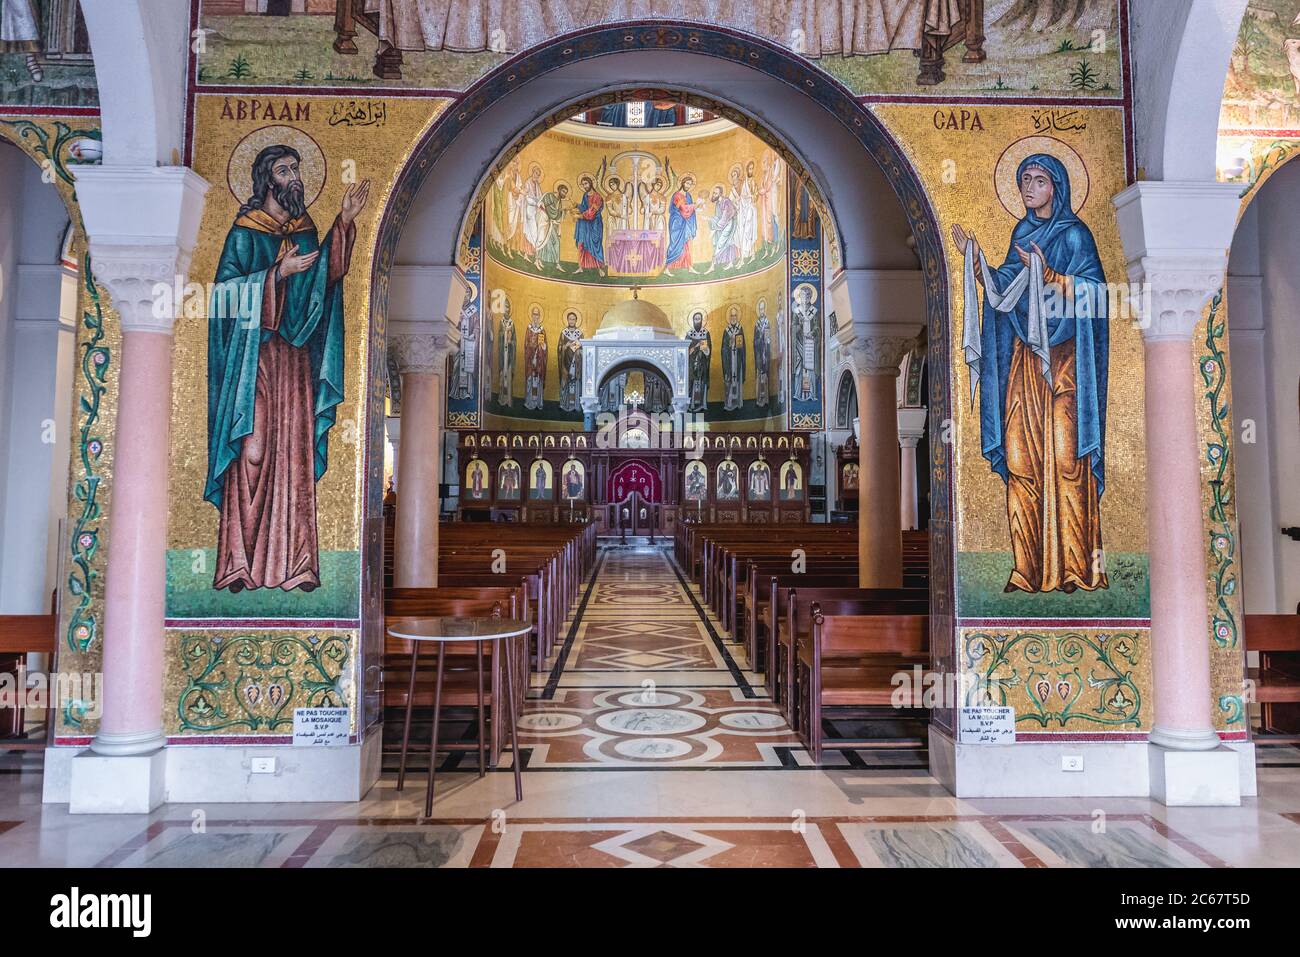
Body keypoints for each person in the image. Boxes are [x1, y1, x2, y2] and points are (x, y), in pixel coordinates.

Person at [206, 144, 368, 593]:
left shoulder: (306, 230)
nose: (294, 176)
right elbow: (222, 296)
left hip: (295, 362)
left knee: (293, 457)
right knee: (252, 449)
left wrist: (344, 224)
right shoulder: (243, 233)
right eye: (285, 169)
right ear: (266, 179)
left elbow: (326, 279)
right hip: (251, 360)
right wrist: (276, 274)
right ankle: (239, 564)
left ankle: (296, 565)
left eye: (296, 168)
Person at [951, 152, 1109, 594]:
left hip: (1065, 367)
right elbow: (1007, 289)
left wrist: (1053, 274)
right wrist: (976, 263)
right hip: (1025, 364)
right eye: (1024, 180)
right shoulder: (1022, 233)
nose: (1029, 188)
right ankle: (1026, 568)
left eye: (1039, 180)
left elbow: (1098, 295)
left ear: (1056, 187)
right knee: (1021, 461)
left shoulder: (1076, 236)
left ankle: (1077, 567)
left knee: (1066, 460)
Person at [664, 174, 700, 275]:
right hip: (677, 223)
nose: (688, 186)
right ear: (682, 183)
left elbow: (689, 210)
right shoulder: (677, 196)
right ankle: (667, 268)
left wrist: (696, 207)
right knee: (675, 244)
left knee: (686, 244)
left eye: (690, 184)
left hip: (686, 223)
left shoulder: (688, 195)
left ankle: (689, 267)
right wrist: (695, 205)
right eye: (687, 183)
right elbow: (684, 209)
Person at [573, 174, 607, 275]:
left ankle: (599, 269)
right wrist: (577, 205)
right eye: (583, 184)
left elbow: (591, 213)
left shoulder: (597, 197)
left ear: (590, 183)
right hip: (585, 224)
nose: (585, 186)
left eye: (586, 183)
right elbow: (584, 207)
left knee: (594, 245)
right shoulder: (585, 195)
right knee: (582, 244)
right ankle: (580, 266)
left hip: (594, 225)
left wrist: (579, 216)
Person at [685, 310, 711, 413]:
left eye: (699, 319)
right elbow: (686, 350)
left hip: (703, 363)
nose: (697, 321)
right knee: (692, 382)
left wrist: (705, 349)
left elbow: (709, 350)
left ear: (701, 320)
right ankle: (691, 404)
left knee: (701, 382)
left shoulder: (706, 333)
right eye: (695, 319)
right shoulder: (689, 334)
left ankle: (702, 404)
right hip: (692, 364)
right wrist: (696, 347)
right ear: (693, 321)